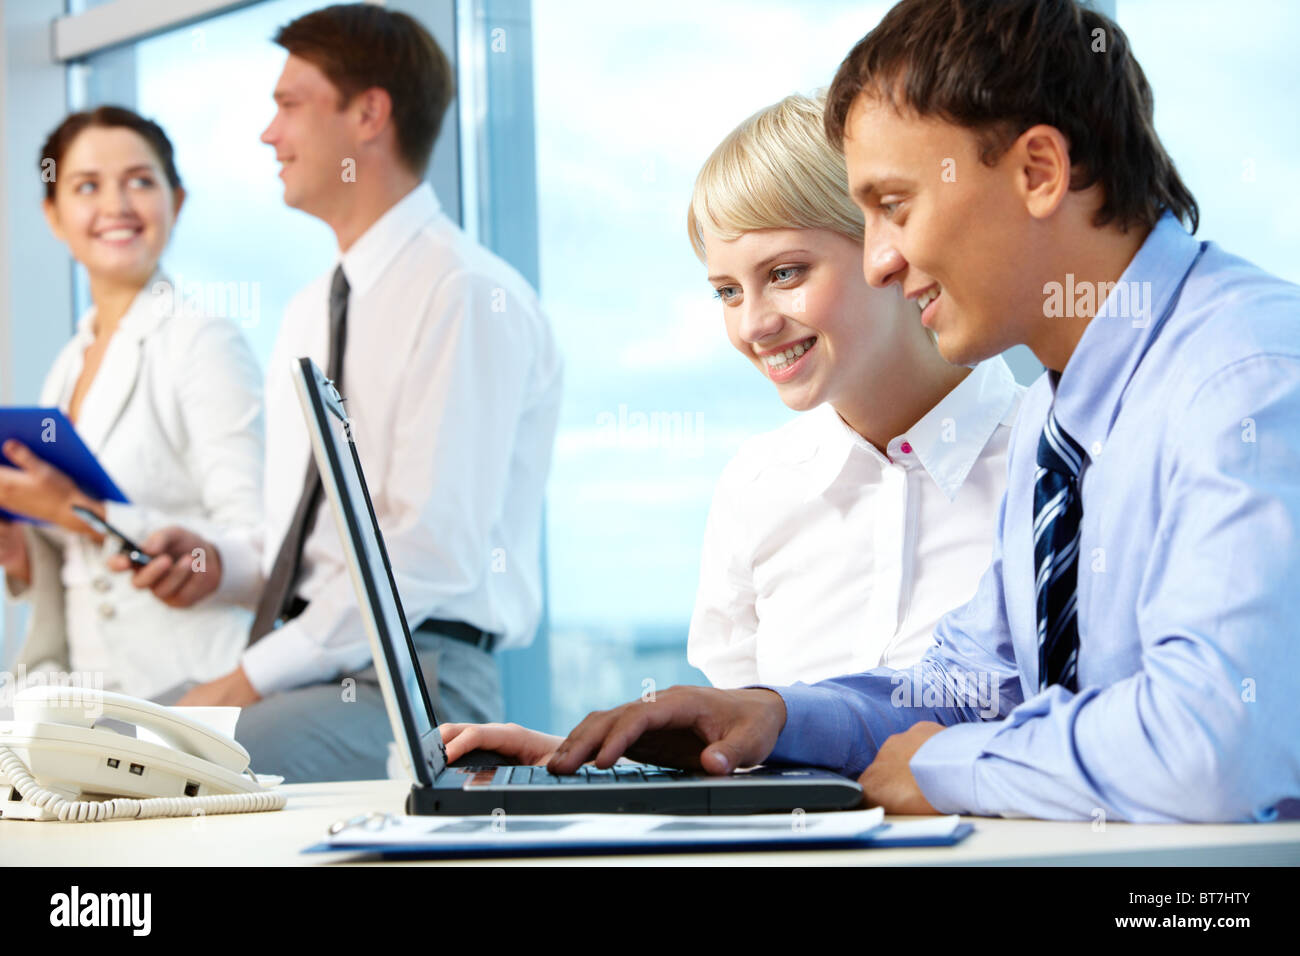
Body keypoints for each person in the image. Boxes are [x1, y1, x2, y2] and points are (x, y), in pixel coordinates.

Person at [531, 0, 1300, 824]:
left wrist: (944, 766)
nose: (880, 260)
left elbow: (1211, 746)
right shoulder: (1060, 419)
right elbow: (963, 690)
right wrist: (773, 716)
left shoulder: (1245, 377)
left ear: (1039, 172)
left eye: (895, 206)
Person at [441, 91, 1023, 764]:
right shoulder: (758, 486)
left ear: (889, 249)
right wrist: (573, 764)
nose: (753, 325)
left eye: (785, 273)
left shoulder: (1051, 464)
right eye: (727, 291)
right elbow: (739, 760)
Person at [113, 4, 562, 783]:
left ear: (369, 114)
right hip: (313, 668)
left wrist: (244, 681)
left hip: (421, 681)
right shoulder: (309, 309)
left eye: (289, 105)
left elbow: (427, 558)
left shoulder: (463, 294)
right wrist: (212, 561)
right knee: (86, 742)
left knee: (153, 765)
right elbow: (298, 542)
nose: (268, 134)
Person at [0, 106, 264, 700]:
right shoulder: (67, 365)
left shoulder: (204, 340)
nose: (116, 206)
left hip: (195, 683)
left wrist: (81, 511)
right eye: (87, 186)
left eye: (140, 182)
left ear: (177, 201)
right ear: (53, 215)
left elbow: (255, 543)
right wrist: (21, 551)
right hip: (88, 690)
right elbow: (73, 561)